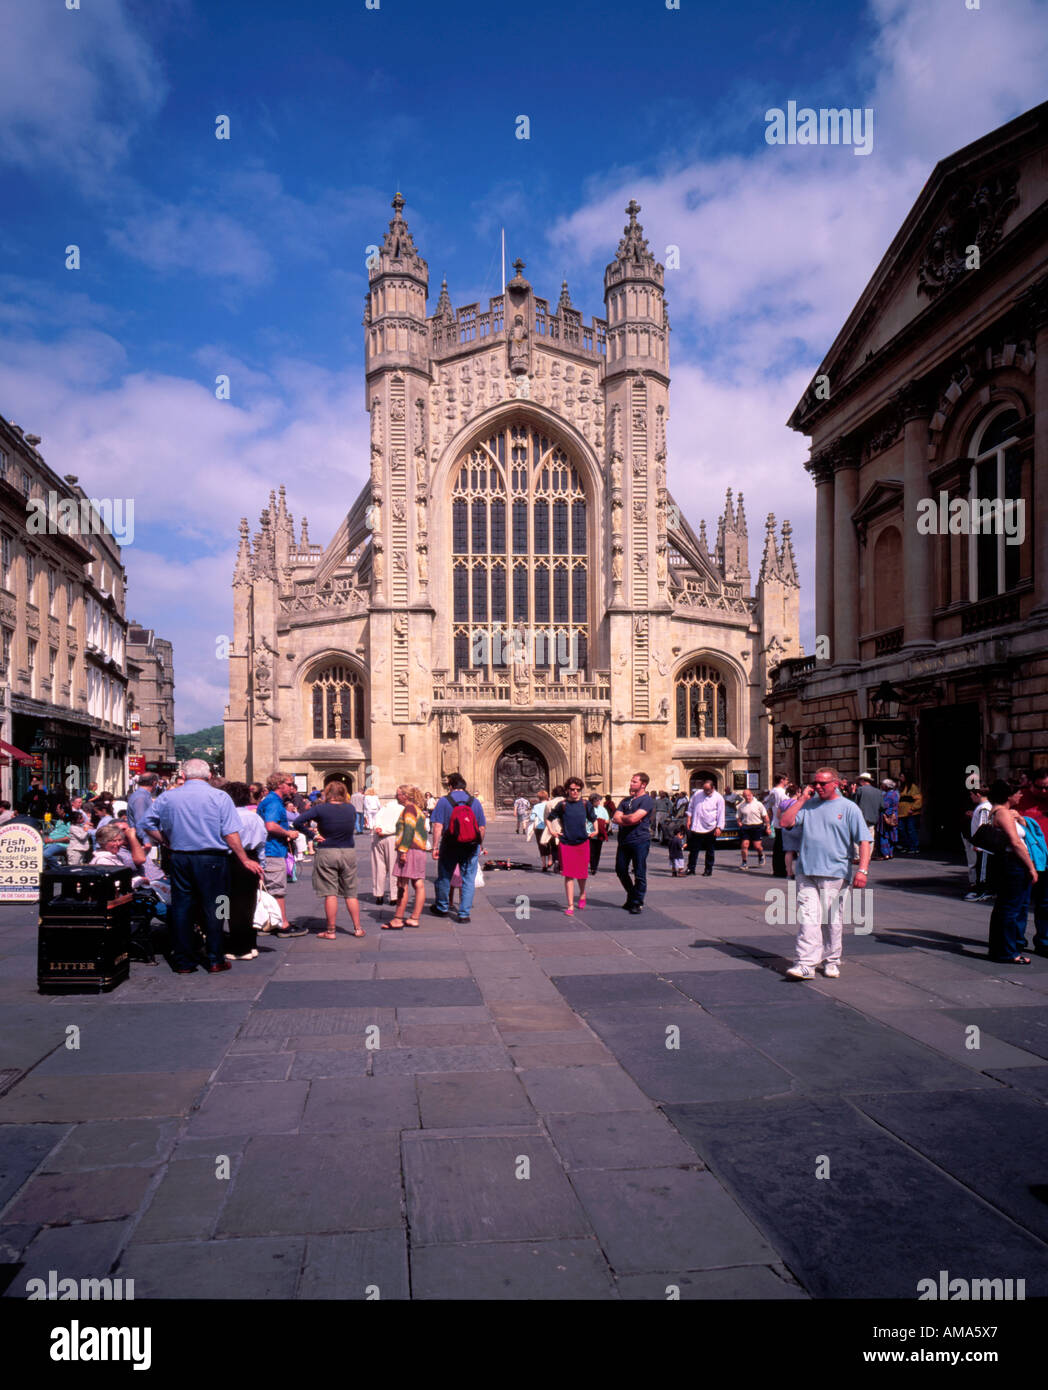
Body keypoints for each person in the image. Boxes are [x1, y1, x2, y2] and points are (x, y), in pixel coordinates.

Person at [138, 759, 263, 974]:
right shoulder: (220, 797)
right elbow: (230, 834)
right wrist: (244, 859)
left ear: (183, 776)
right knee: (218, 905)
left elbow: (146, 823)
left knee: (182, 907)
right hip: (213, 859)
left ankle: (184, 961)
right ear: (209, 776)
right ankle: (216, 957)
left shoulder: (168, 796)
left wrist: (167, 840)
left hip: (179, 858)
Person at [780, 767, 872, 980]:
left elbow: (864, 841)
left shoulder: (849, 808)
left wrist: (863, 870)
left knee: (832, 919)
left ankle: (831, 959)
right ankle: (806, 964)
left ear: (836, 784)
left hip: (835, 872)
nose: (818, 787)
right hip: (806, 870)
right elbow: (785, 823)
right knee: (808, 918)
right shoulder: (808, 805)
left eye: (823, 783)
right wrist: (802, 799)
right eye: (815, 783)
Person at [291, 780, 365, 939]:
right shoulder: (350, 808)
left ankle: (331, 931)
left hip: (327, 851)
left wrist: (313, 835)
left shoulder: (321, 808)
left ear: (328, 793)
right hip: (348, 851)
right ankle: (358, 929)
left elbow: (297, 822)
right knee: (350, 892)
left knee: (330, 892)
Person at [983, 780, 1038, 964]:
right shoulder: (1003, 813)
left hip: (1007, 863)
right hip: (1014, 864)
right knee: (1010, 909)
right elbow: (1015, 843)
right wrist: (1031, 867)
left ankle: (1000, 950)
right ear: (1009, 796)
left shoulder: (998, 811)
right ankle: (1008, 952)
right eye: (1018, 793)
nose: (1021, 795)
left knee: (1004, 908)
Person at [256, 773, 309, 937]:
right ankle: (283, 924)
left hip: (271, 849)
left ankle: (270, 922)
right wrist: (288, 833)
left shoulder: (273, 801)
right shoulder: (273, 802)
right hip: (272, 850)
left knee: (269, 888)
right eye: (289, 783)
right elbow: (270, 825)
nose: (292, 787)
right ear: (280, 784)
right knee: (277, 889)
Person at [430, 774, 486, 923]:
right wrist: (479, 845)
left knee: (444, 876)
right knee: (468, 879)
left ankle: (442, 907)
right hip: (470, 846)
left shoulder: (443, 801)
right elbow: (481, 827)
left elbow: (437, 826)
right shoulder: (475, 802)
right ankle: (464, 914)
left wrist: (434, 846)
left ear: (450, 786)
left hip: (450, 844)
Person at [222, 781, 266, 960]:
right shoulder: (254, 817)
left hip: (231, 860)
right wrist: (262, 865)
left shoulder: (226, 817)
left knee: (227, 904)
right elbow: (262, 842)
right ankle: (250, 944)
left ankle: (237, 947)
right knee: (249, 904)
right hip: (253, 859)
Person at [548, 777, 596, 915]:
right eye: (572, 789)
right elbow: (549, 818)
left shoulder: (586, 804)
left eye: (578, 790)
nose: (575, 792)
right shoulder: (562, 805)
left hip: (582, 842)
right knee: (568, 875)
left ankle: (582, 893)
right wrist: (552, 831)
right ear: (567, 790)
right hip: (566, 842)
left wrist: (595, 830)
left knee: (581, 874)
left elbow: (593, 818)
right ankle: (570, 905)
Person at [1015, 768, 1048, 955]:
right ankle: (1018, 940)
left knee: (1045, 903)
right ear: (1031, 784)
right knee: (1022, 902)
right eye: (1039, 787)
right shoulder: (1021, 797)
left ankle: (1044, 941)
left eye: (1047, 788)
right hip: (1026, 858)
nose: (1044, 792)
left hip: (1046, 858)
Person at [613, 772, 654, 914]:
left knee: (639, 873)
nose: (631, 783)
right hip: (624, 840)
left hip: (640, 840)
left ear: (643, 784)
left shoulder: (647, 800)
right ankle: (632, 895)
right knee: (620, 870)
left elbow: (632, 819)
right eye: (631, 781)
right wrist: (628, 818)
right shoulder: (625, 800)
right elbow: (616, 818)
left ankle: (637, 902)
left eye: (634, 782)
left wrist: (625, 818)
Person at [389, 784, 429, 928]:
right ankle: (414, 918)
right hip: (419, 850)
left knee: (402, 884)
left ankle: (398, 919)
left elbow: (409, 831)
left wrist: (403, 851)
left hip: (409, 849)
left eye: (398, 793)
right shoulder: (418, 809)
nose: (396, 796)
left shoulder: (410, 809)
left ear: (405, 796)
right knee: (418, 883)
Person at [686, 778, 725, 876]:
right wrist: (689, 819)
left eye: (708, 790)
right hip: (697, 825)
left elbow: (721, 814)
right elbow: (690, 807)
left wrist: (719, 827)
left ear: (713, 788)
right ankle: (691, 868)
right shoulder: (697, 794)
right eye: (704, 789)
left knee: (710, 850)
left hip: (710, 827)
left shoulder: (719, 798)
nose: (706, 792)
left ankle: (708, 869)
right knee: (693, 849)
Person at [370, 794, 403, 905]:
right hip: (392, 837)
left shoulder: (385, 807)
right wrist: (386, 831)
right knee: (394, 866)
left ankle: (379, 895)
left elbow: (376, 819)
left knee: (379, 866)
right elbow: (400, 826)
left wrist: (378, 828)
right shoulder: (402, 808)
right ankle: (394, 896)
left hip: (378, 837)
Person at [963, 785, 993, 902]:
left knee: (983, 868)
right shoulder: (982, 807)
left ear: (978, 794)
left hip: (983, 845)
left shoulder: (984, 807)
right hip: (982, 844)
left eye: (971, 794)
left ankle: (983, 891)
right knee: (981, 866)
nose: (971, 797)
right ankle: (984, 890)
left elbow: (984, 826)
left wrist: (979, 843)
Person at [735, 788, 769, 869]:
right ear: (743, 796)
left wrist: (768, 827)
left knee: (757, 846)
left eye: (749, 795)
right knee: (744, 845)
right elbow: (738, 817)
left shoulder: (758, 804)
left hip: (757, 826)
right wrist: (739, 822)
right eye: (745, 796)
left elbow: (765, 816)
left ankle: (761, 855)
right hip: (746, 826)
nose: (747, 797)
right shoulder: (741, 806)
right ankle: (744, 862)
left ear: (752, 795)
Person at [764, 773, 790, 878]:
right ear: (782, 780)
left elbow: (769, 807)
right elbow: (787, 805)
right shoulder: (781, 793)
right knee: (782, 847)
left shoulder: (772, 792)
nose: (787, 781)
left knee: (778, 847)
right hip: (783, 821)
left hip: (776, 821)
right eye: (786, 779)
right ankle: (781, 870)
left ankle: (777, 869)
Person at [853, 774, 884, 853]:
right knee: (870, 837)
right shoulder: (878, 791)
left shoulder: (860, 789)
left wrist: (853, 793)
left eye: (860, 780)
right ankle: (868, 855)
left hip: (861, 817)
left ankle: (858, 855)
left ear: (863, 781)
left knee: (857, 837)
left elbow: (854, 804)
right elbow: (882, 806)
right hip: (873, 818)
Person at [779, 782, 802, 879]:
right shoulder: (799, 803)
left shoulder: (783, 803)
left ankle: (789, 872)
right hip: (797, 826)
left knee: (789, 851)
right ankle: (801, 872)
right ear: (798, 792)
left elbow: (778, 816)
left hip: (786, 828)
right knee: (801, 850)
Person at [897, 775, 922, 854]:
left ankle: (914, 847)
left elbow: (919, 799)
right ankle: (906, 846)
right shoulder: (901, 788)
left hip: (910, 813)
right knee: (902, 830)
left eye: (902, 776)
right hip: (901, 813)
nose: (900, 778)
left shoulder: (912, 787)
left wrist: (913, 808)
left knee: (911, 830)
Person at [126, 773, 157, 838]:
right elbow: (140, 821)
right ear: (154, 783)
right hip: (144, 840)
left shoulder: (142, 795)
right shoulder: (141, 797)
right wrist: (146, 840)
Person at [530, 791, 554, 871]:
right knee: (550, 843)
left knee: (541, 845)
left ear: (539, 798)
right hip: (549, 827)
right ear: (547, 797)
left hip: (539, 828)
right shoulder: (550, 804)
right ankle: (550, 861)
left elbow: (532, 818)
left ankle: (543, 864)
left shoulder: (536, 806)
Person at [588, 792, 610, 875]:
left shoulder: (602, 809)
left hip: (600, 833)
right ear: (593, 801)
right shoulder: (588, 808)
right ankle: (593, 866)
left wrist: (600, 821)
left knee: (597, 851)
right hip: (590, 833)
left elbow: (607, 820)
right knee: (591, 851)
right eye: (597, 800)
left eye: (599, 800)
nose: (599, 802)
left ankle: (595, 867)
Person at [878, 779, 899, 860]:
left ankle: (885, 853)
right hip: (893, 816)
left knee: (884, 835)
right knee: (891, 835)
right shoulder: (895, 793)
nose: (882, 786)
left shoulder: (888, 795)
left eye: (883, 785)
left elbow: (884, 806)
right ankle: (890, 853)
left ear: (886, 786)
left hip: (886, 816)